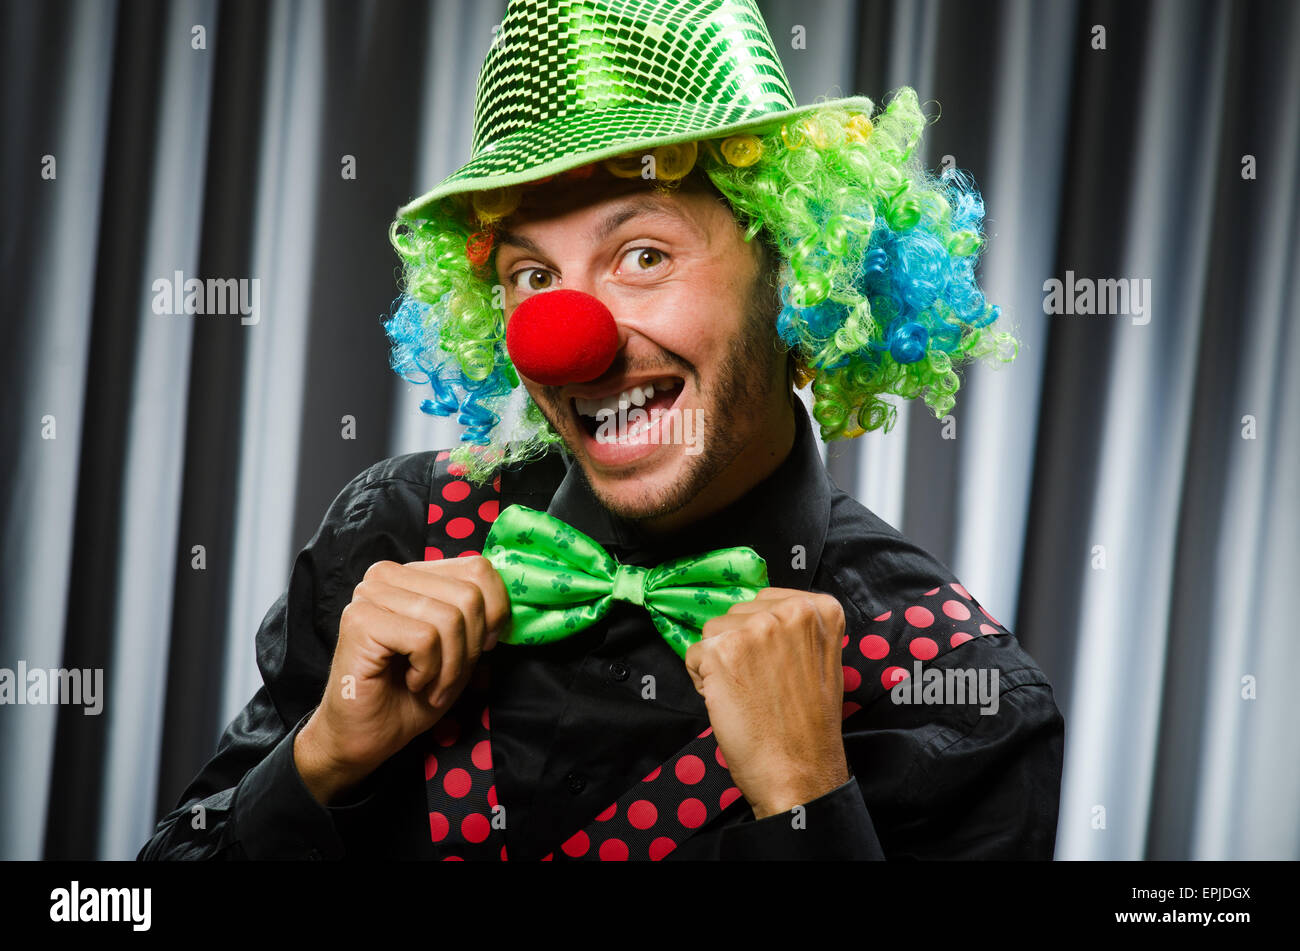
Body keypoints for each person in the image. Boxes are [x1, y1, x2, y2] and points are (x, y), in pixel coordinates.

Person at [139, 0, 1062, 861]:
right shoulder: (392, 535)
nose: (569, 340)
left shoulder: (961, 698)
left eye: (644, 254)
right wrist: (321, 757)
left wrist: (808, 797)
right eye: (533, 277)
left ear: (796, 265)